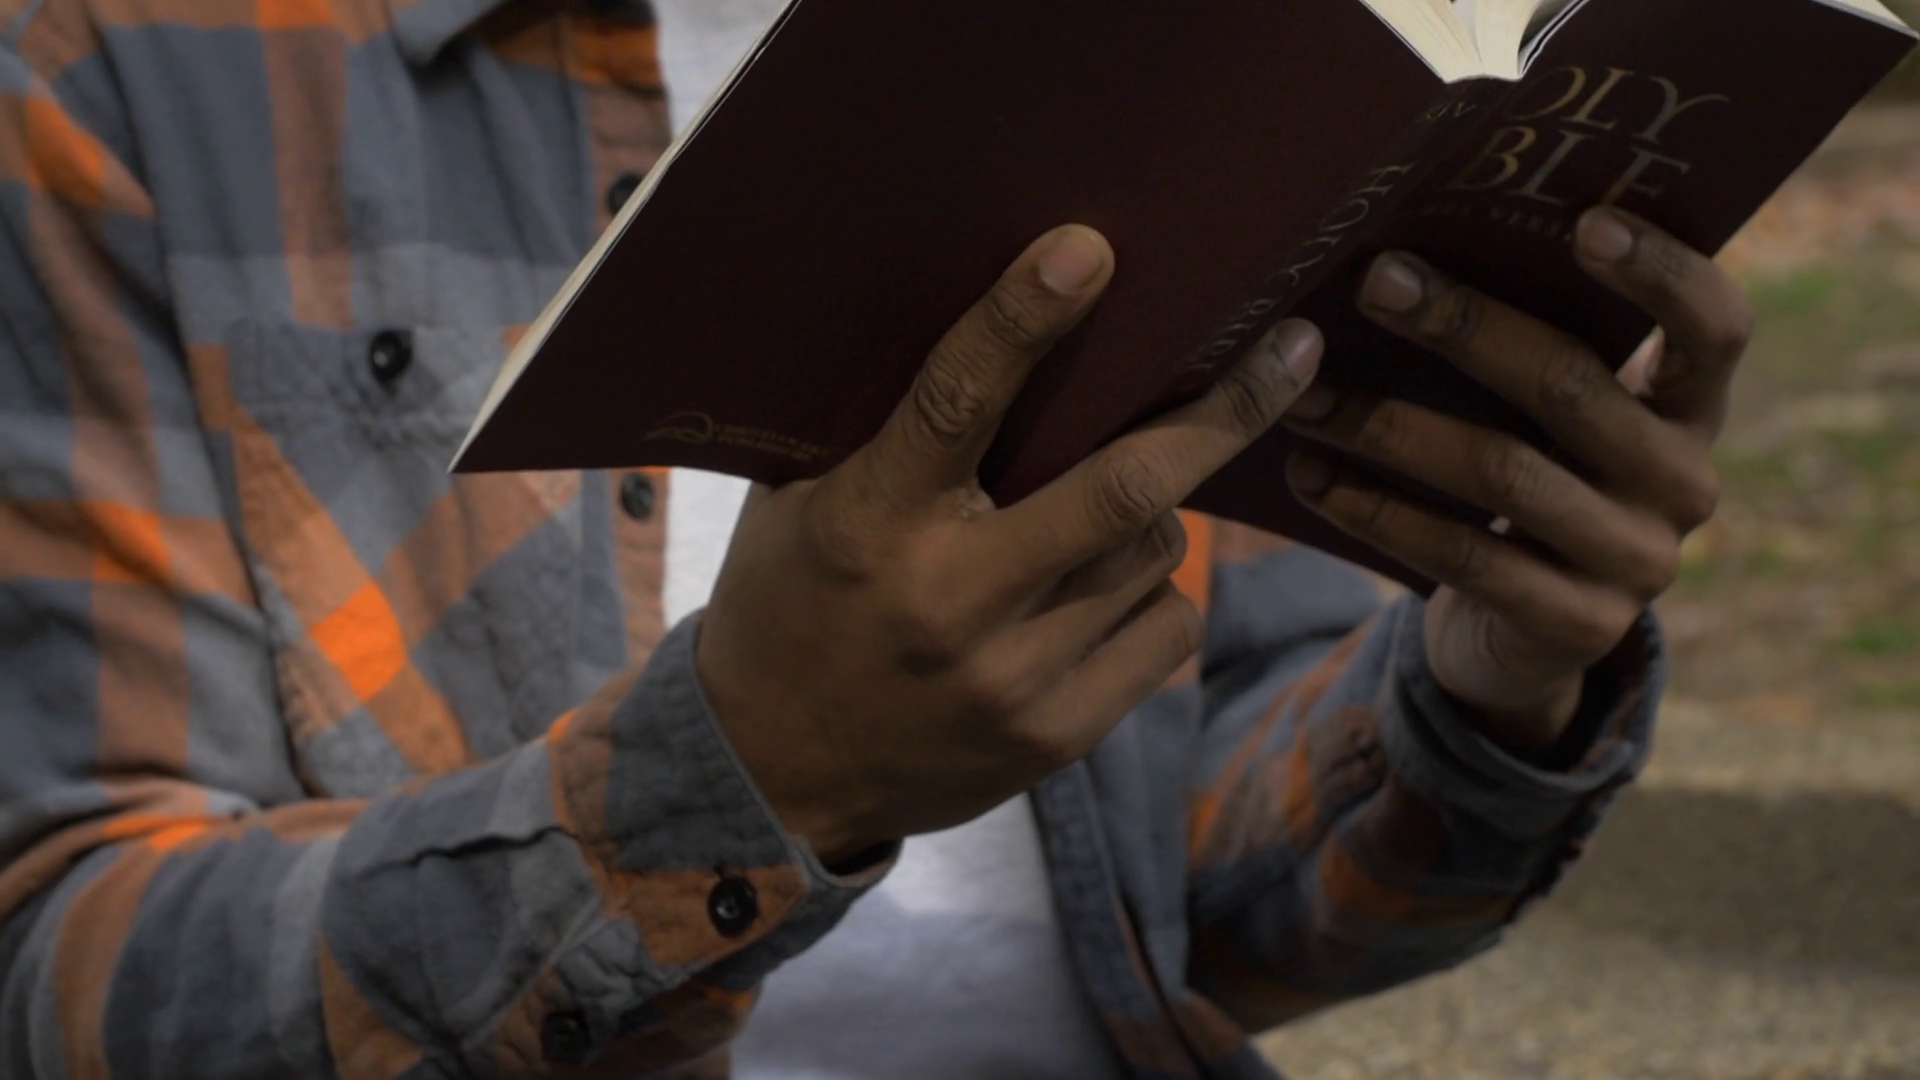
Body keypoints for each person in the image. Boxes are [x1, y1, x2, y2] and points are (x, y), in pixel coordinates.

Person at [0, 0, 1749, 1076]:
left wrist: (1486, 681)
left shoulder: (1194, 46)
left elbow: (1211, 906)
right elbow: (64, 968)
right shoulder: (150, 64)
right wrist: (745, 773)